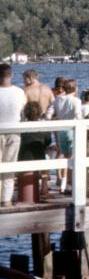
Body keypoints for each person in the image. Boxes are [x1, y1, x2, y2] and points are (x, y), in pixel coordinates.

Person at [47, 78, 83, 193]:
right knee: (72, 159)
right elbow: (78, 115)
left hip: (60, 131)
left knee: (64, 157)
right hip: (71, 131)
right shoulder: (76, 100)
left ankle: (63, 184)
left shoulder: (58, 99)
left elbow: (48, 114)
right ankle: (71, 184)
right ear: (75, 88)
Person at [0, 63, 27, 207]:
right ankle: (6, 199)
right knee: (10, 166)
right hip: (14, 131)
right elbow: (23, 111)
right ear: (11, 75)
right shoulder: (19, 92)